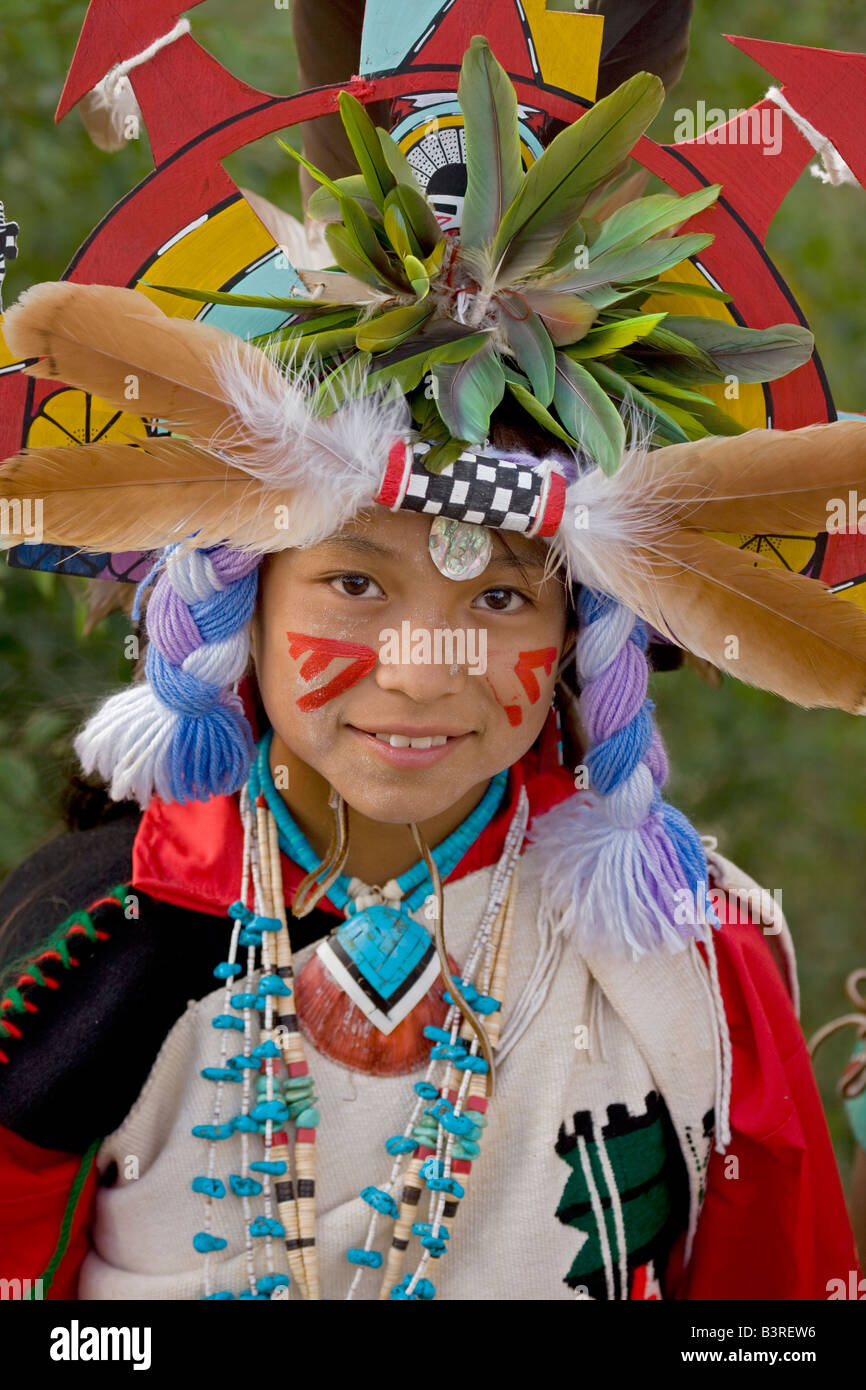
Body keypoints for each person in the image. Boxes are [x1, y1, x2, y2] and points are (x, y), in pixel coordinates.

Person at [0, 9, 862, 1303]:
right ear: (240, 597)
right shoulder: (96, 939)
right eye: (352, 579)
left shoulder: (697, 954)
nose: (421, 665)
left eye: (507, 596)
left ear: (583, 638)